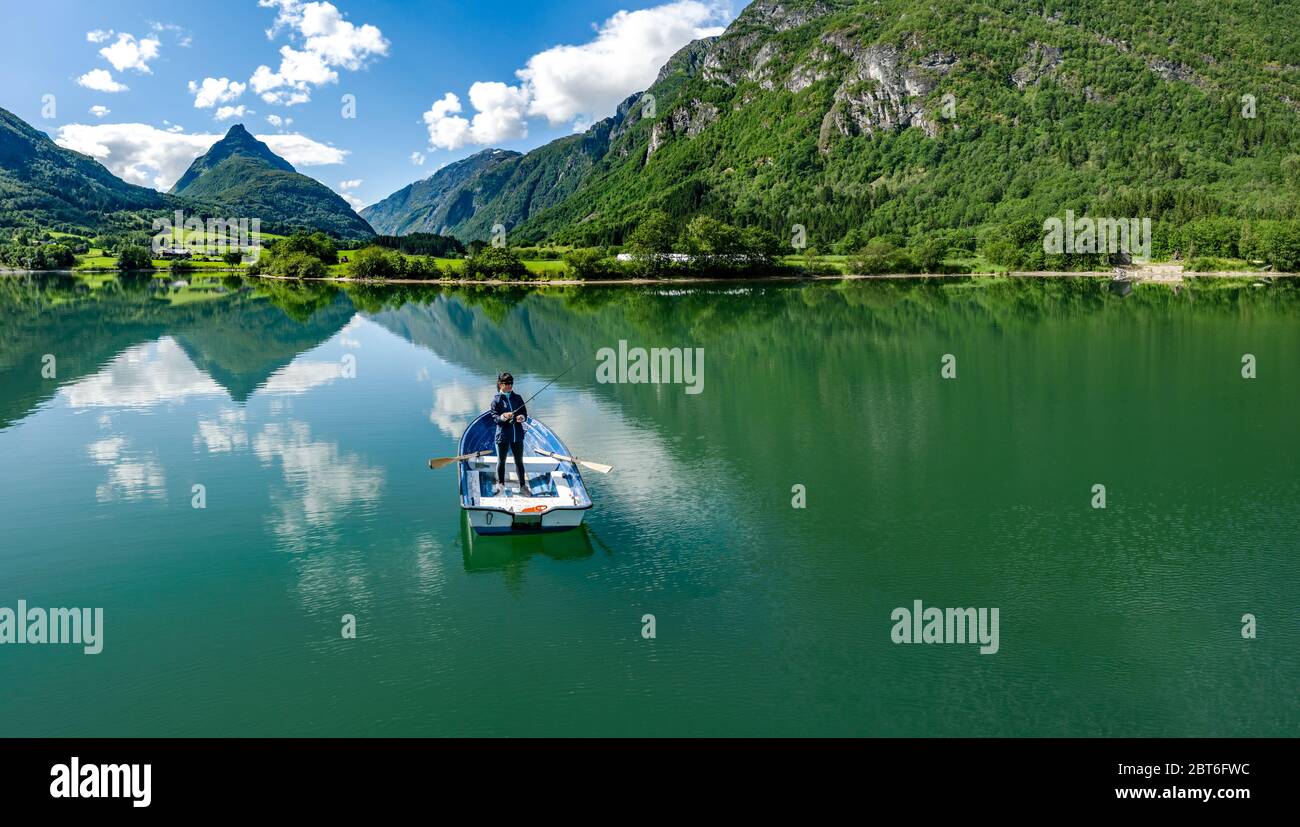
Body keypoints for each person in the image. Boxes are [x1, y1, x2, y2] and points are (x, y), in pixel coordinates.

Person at [489, 371, 530, 496]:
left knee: (519, 461)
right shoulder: (496, 400)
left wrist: (521, 418)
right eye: (507, 383)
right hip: (503, 436)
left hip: (517, 435)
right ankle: (500, 485)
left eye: (511, 383)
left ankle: (523, 486)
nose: (509, 385)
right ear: (500, 384)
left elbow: (525, 414)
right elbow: (495, 418)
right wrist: (503, 416)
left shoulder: (517, 398)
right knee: (501, 461)